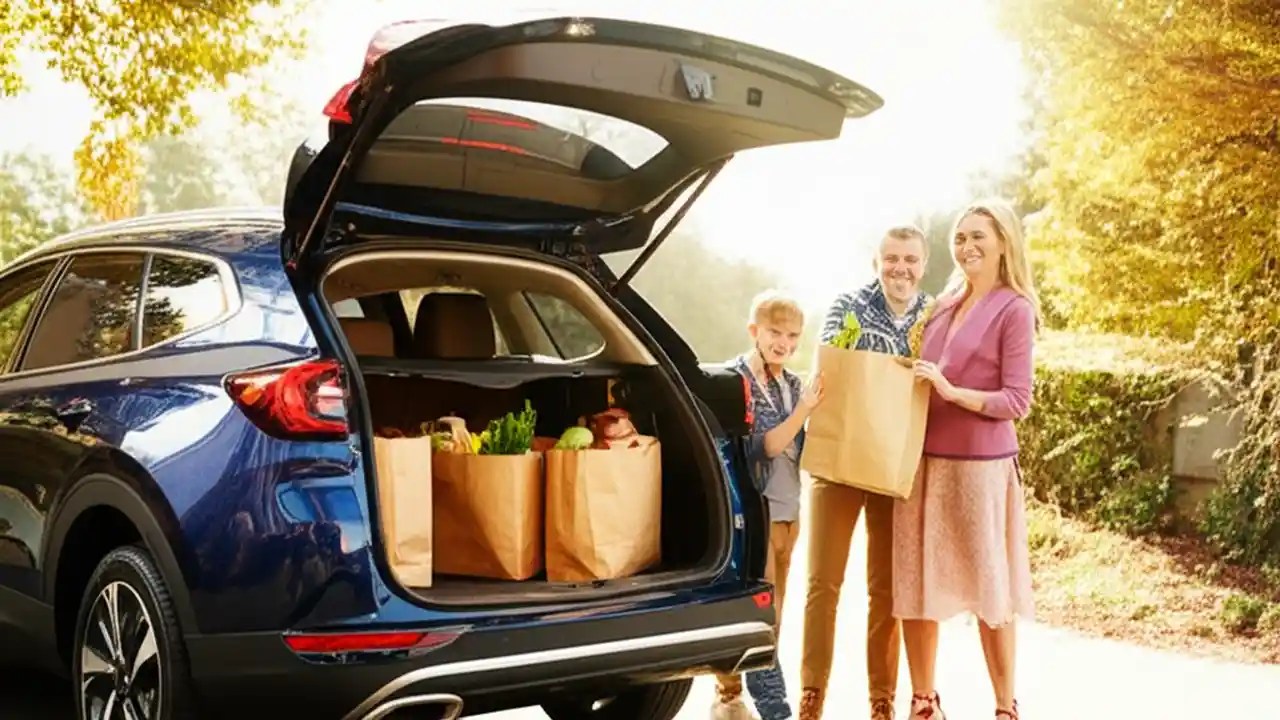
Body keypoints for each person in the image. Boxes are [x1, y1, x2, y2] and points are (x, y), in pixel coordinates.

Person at [897, 199, 1040, 720]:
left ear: (1003, 241)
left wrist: (953, 393)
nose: (967, 246)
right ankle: (924, 702)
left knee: (991, 592)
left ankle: (1005, 707)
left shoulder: (1014, 309)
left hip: (981, 470)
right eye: (960, 237)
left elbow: (1017, 401)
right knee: (916, 585)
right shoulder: (941, 305)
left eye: (979, 235)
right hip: (923, 463)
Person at [799, 226, 933, 720]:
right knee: (823, 583)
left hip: (894, 464)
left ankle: (882, 698)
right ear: (876, 261)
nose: (901, 268)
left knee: (887, 589)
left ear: (923, 265)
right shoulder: (847, 306)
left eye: (910, 260)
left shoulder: (934, 315)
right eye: (891, 258)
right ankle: (812, 692)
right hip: (840, 462)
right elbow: (832, 367)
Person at [713, 290, 824, 720]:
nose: (784, 343)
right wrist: (805, 411)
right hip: (754, 516)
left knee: (773, 616)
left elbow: (801, 450)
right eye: (775, 332)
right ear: (754, 331)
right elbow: (767, 447)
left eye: (793, 336)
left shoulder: (793, 385)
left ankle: (728, 696)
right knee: (759, 615)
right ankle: (770, 708)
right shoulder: (736, 382)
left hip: (788, 515)